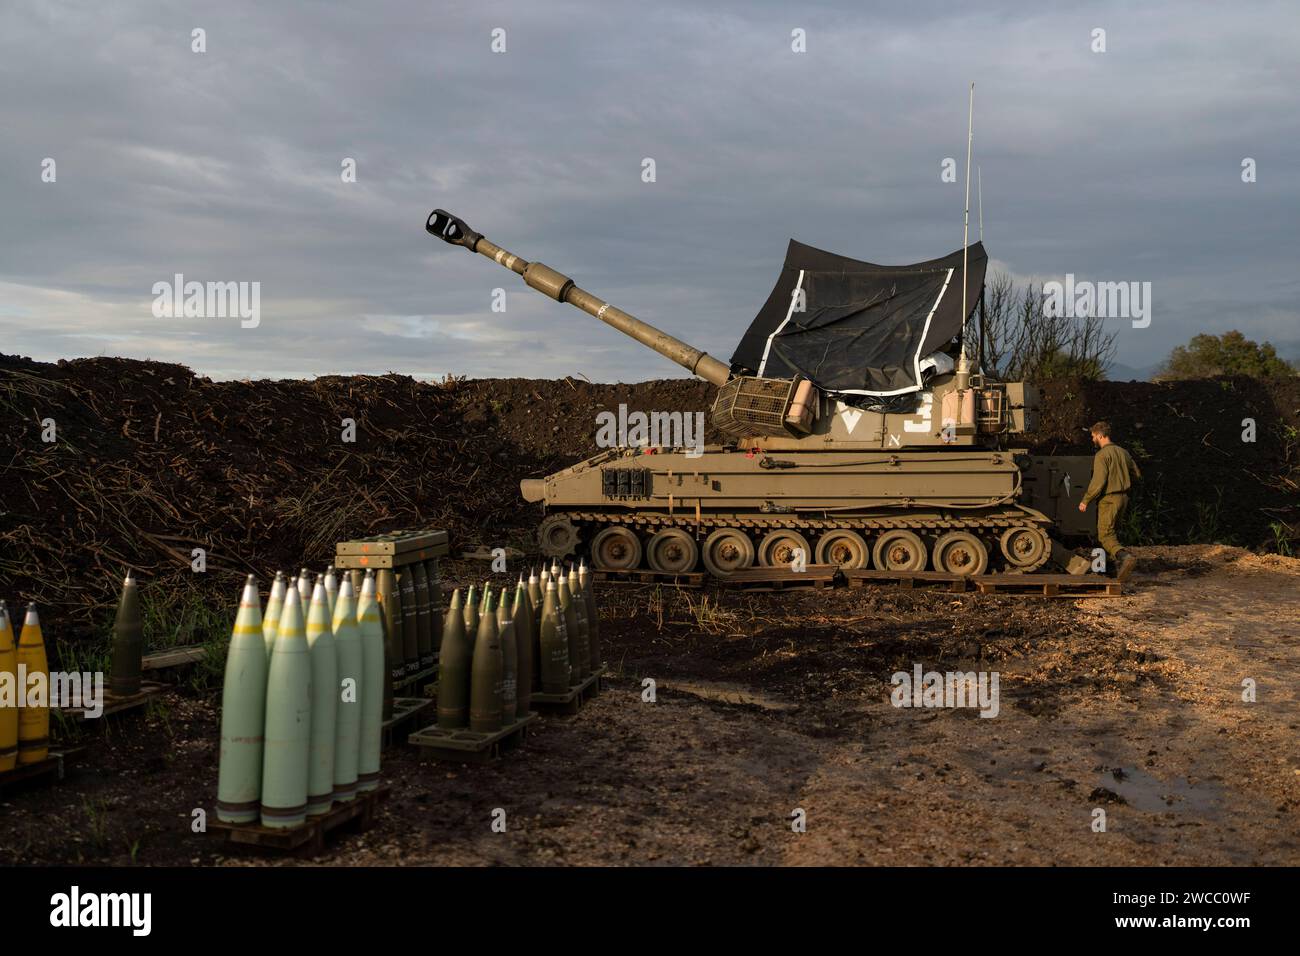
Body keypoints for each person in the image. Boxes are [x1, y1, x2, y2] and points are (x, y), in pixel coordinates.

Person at [1078, 421, 1141, 581]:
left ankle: (1125, 557)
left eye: (1093, 436)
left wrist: (1086, 499)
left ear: (1100, 435)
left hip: (1109, 500)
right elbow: (1136, 474)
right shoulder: (1123, 452)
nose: (1092, 440)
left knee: (1105, 536)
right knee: (1110, 534)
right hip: (1123, 498)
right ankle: (1106, 571)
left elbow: (1098, 481)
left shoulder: (1102, 455)